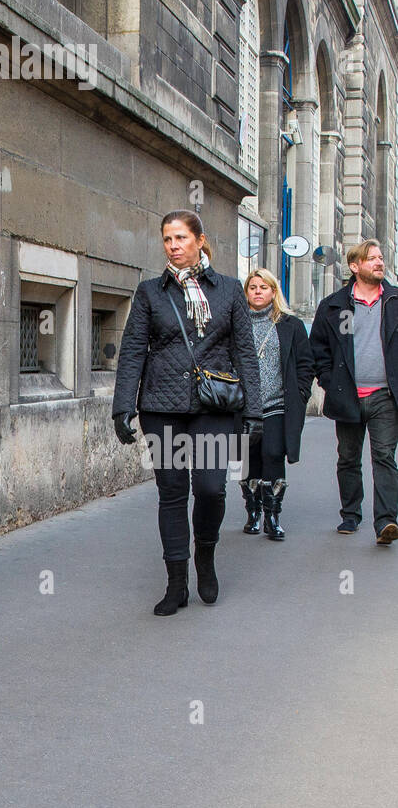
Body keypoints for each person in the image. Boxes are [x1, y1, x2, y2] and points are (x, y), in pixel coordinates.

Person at [111, 211, 261, 613]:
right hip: (161, 407)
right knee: (172, 493)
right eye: (166, 239)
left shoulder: (229, 291)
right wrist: (123, 405)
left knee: (212, 488)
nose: (173, 245)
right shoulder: (150, 292)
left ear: (199, 240)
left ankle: (206, 557)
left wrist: (255, 411)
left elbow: (245, 352)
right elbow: (132, 351)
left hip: (213, 405)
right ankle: (176, 584)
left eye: (180, 237)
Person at [308, 240, 398, 543]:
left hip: (385, 395)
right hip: (347, 394)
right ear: (355, 266)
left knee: (384, 456)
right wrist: (328, 381)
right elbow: (318, 347)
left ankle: (386, 521)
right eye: (371, 258)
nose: (378, 263)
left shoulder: (395, 301)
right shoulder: (335, 305)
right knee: (348, 457)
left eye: (380, 258)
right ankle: (350, 514)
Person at [239, 268, 314, 540]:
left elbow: (306, 363)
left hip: (278, 405)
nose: (258, 291)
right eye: (253, 287)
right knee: (246, 461)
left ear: (274, 291)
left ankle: (273, 515)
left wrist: (300, 393)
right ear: (246, 292)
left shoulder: (290, 325)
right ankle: (253, 511)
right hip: (244, 407)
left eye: (264, 287)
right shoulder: (237, 324)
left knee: (273, 454)